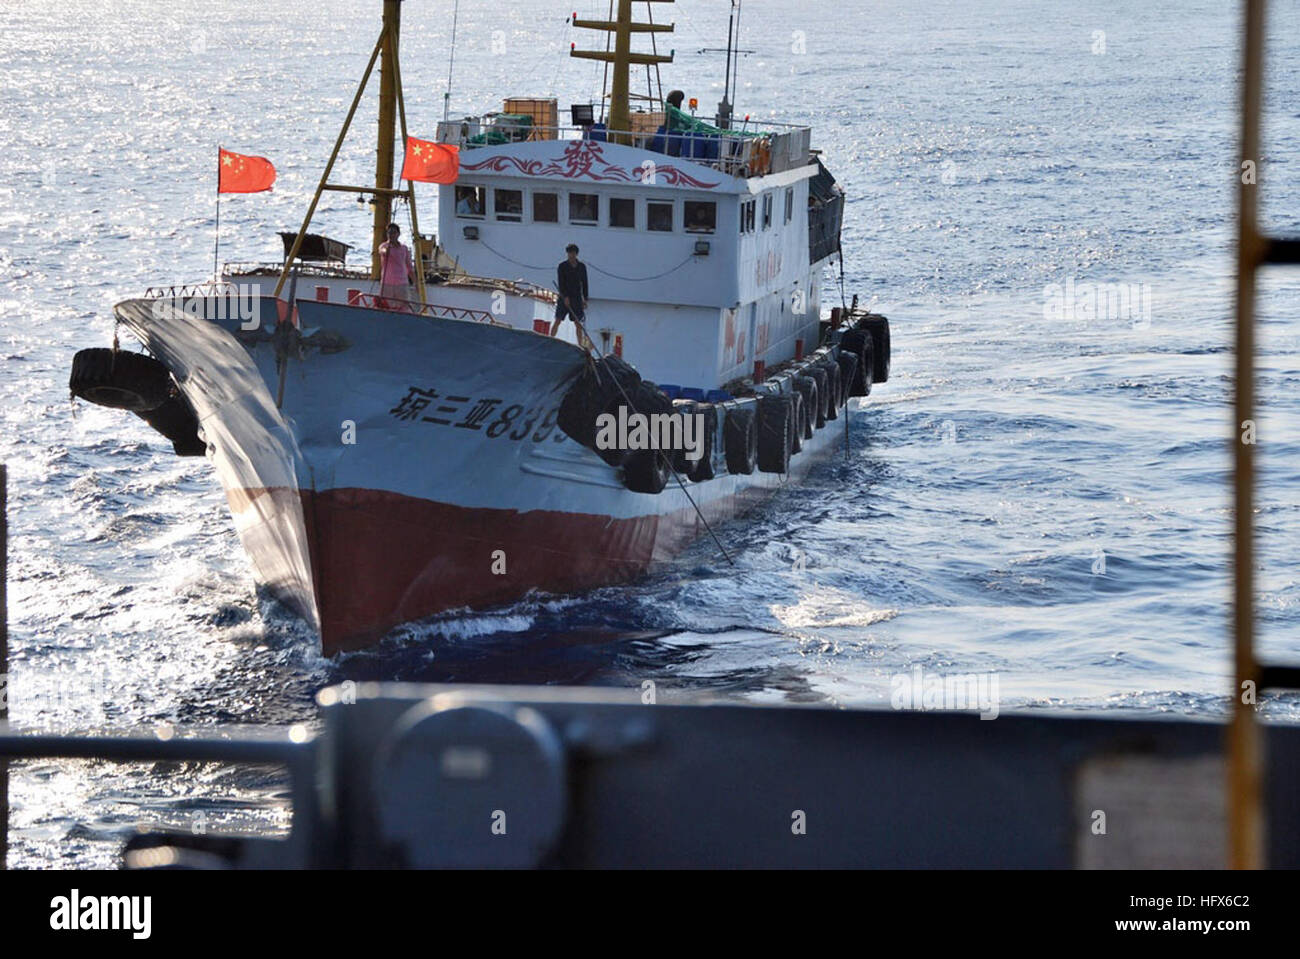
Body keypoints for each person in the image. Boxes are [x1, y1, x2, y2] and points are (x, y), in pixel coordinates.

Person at [551, 243, 589, 336]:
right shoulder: (562, 266)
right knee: (558, 320)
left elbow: (585, 283)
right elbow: (561, 283)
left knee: (578, 323)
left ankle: (580, 346)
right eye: (569, 253)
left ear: (576, 254)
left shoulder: (582, 267)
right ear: (567, 253)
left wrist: (585, 299)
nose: (571, 255)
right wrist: (565, 297)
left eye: (573, 253)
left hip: (577, 298)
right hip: (564, 298)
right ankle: (550, 338)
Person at [378, 222, 415, 304]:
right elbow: (382, 251)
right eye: (389, 233)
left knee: (404, 307)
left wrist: (416, 283)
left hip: (402, 283)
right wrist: (386, 250)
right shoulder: (383, 246)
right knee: (385, 306)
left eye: (393, 232)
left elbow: (409, 267)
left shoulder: (404, 248)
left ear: (398, 234)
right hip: (387, 283)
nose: (391, 235)